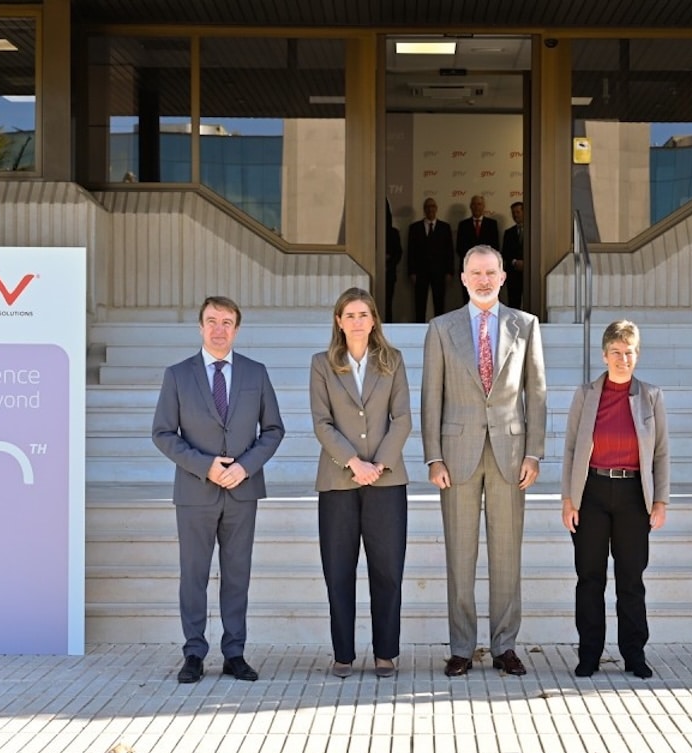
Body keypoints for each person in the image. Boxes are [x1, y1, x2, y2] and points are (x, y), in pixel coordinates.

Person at [421, 244, 547, 677]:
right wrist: (433, 456)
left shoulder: (526, 325)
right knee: (460, 555)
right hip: (456, 457)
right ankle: (461, 648)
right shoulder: (440, 328)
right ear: (462, 277)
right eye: (475, 272)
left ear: (502, 277)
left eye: (491, 272)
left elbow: (538, 392)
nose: (483, 279)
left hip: (511, 455)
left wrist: (534, 451)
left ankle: (505, 646)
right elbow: (430, 397)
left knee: (506, 556)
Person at [152, 296, 285, 684]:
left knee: (237, 574)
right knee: (193, 574)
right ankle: (193, 652)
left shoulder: (256, 373)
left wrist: (244, 467)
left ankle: (234, 653)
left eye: (227, 322)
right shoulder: (177, 375)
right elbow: (162, 433)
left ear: (237, 329)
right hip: (195, 491)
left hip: (242, 491)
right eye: (212, 321)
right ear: (200, 326)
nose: (219, 329)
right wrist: (205, 466)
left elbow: (273, 430)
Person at [309, 287, 412, 679]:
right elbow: (322, 422)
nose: (356, 321)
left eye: (363, 314)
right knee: (338, 569)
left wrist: (377, 465)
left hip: (386, 482)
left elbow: (402, 418)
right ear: (338, 320)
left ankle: (386, 652)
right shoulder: (321, 364)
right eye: (349, 315)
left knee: (387, 569)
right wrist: (353, 463)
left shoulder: (392, 361)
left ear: (373, 321)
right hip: (338, 480)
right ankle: (344, 654)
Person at [561, 320, 669, 680]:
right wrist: (569, 499)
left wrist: (661, 501)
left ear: (637, 355)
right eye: (617, 352)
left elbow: (662, 454)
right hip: (591, 491)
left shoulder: (651, 396)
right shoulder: (586, 394)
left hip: (633, 495)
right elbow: (572, 448)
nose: (623, 359)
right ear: (604, 355)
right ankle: (589, 654)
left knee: (630, 578)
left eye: (630, 352)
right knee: (589, 577)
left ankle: (634, 654)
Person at [407, 197, 455, 322]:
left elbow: (449, 251)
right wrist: (411, 272)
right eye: (428, 207)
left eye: (433, 206)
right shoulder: (414, 228)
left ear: (436, 209)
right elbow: (411, 251)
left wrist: (449, 271)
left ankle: (439, 330)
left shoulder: (445, 227)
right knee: (419, 304)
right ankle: (419, 329)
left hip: (440, 272)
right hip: (420, 272)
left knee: (439, 303)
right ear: (424, 209)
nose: (430, 209)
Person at [455, 195, 501, 304]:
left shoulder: (492, 224)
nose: (477, 207)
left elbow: (495, 247)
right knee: (468, 298)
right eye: (474, 204)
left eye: (479, 204)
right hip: (469, 269)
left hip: (488, 270)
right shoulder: (463, 225)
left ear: (484, 207)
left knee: (488, 299)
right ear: (470, 207)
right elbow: (459, 247)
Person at [501, 201, 525, 307]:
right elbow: (505, 253)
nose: (515, 215)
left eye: (518, 212)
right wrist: (515, 262)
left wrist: (525, 263)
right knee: (513, 304)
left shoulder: (534, 231)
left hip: (529, 274)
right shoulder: (508, 233)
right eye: (513, 213)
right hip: (513, 274)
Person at [385, 200, 403, 323]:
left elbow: (398, 253)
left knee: (388, 303)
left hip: (389, 273)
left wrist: (388, 262)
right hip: (373, 274)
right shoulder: (370, 233)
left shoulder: (393, 233)